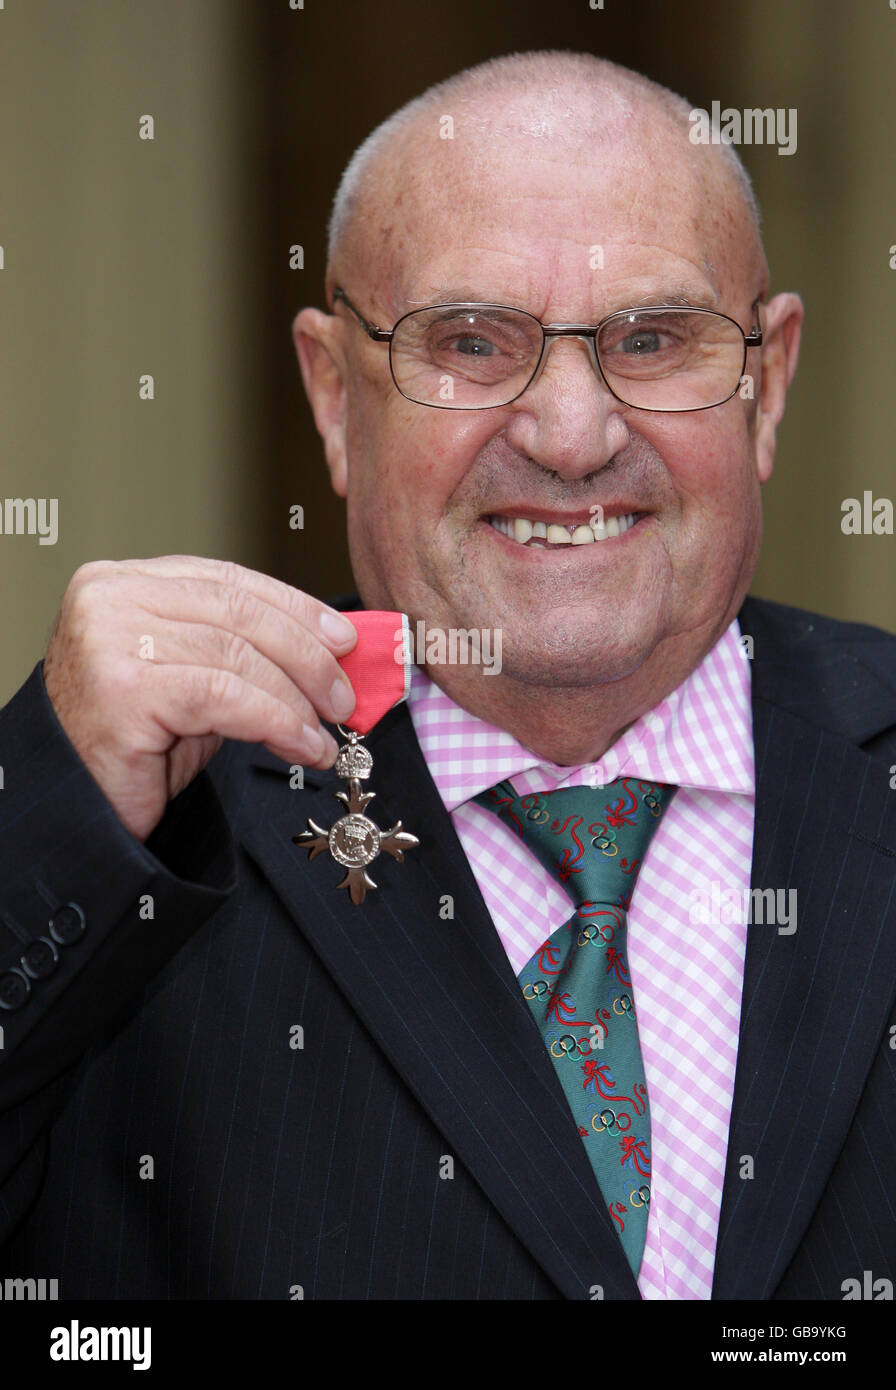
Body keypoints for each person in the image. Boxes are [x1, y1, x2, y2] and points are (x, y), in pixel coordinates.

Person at [0, 49, 894, 1303]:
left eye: (653, 338)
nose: (571, 435)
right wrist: (40, 811)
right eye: (470, 342)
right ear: (331, 393)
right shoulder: (143, 821)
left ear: (766, 383)